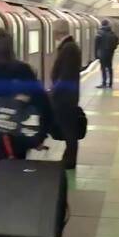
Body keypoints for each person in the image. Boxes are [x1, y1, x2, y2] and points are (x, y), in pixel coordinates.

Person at [0, 31, 52, 164]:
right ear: (12, 48)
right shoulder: (23, 70)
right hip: (19, 134)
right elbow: (41, 101)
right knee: (17, 167)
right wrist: (41, 134)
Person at [49, 20, 82, 170]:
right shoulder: (70, 47)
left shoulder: (68, 48)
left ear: (56, 32)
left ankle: (70, 160)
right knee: (69, 128)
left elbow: (65, 76)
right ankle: (68, 157)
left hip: (66, 98)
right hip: (68, 96)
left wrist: (53, 93)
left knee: (69, 129)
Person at [94, 20, 119, 88]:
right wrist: (113, 48)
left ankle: (104, 83)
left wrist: (96, 55)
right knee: (110, 67)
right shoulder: (112, 32)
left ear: (101, 24)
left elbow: (96, 45)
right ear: (108, 24)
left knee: (103, 68)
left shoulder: (99, 33)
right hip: (110, 53)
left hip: (102, 53)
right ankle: (110, 83)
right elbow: (117, 40)